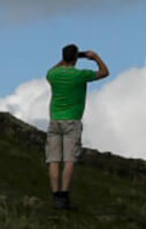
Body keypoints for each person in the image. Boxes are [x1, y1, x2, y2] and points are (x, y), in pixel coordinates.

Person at [45, 45, 109, 211]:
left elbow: (53, 70)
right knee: (69, 160)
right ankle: (64, 196)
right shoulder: (80, 75)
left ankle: (55, 196)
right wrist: (95, 57)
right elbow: (104, 72)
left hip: (54, 120)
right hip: (72, 120)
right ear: (75, 58)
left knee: (53, 160)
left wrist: (67, 59)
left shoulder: (53, 74)